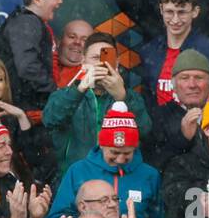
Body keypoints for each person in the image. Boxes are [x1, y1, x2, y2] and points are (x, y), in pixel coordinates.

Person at [43, 31, 154, 179]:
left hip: (118, 180)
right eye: (95, 58)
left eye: (107, 58)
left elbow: (145, 131)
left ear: (117, 63)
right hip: (77, 180)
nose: (101, 64)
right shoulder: (66, 94)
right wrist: (80, 89)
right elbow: (50, 119)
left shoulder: (131, 97)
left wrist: (122, 97)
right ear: (83, 61)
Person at [47, 103, 162, 218]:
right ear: (101, 145)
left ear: (135, 147)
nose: (120, 158)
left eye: (127, 153)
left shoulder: (149, 175)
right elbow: (57, 217)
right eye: (114, 152)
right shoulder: (78, 170)